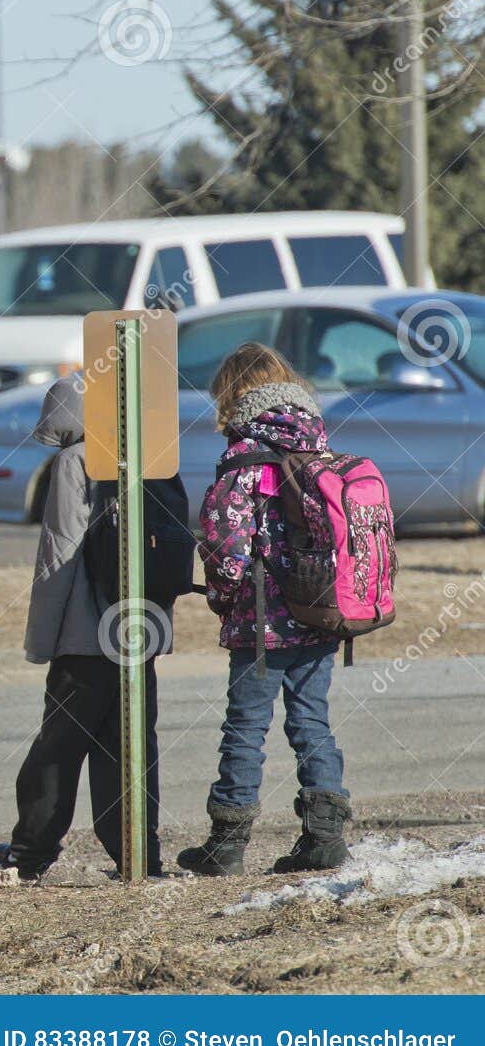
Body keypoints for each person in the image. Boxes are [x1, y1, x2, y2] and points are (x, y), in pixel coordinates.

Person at [179, 343, 351, 877]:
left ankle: (227, 845)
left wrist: (221, 598)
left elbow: (227, 549)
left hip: (261, 626)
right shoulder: (316, 448)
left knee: (245, 728)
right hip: (320, 611)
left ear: (232, 394)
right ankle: (324, 839)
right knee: (311, 722)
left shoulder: (244, 460)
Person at [0, 378, 164, 882]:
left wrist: (41, 641)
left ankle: (30, 852)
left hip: (85, 640)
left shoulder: (75, 463)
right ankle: (137, 855)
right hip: (137, 633)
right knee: (128, 748)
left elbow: (59, 556)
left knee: (58, 748)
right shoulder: (147, 457)